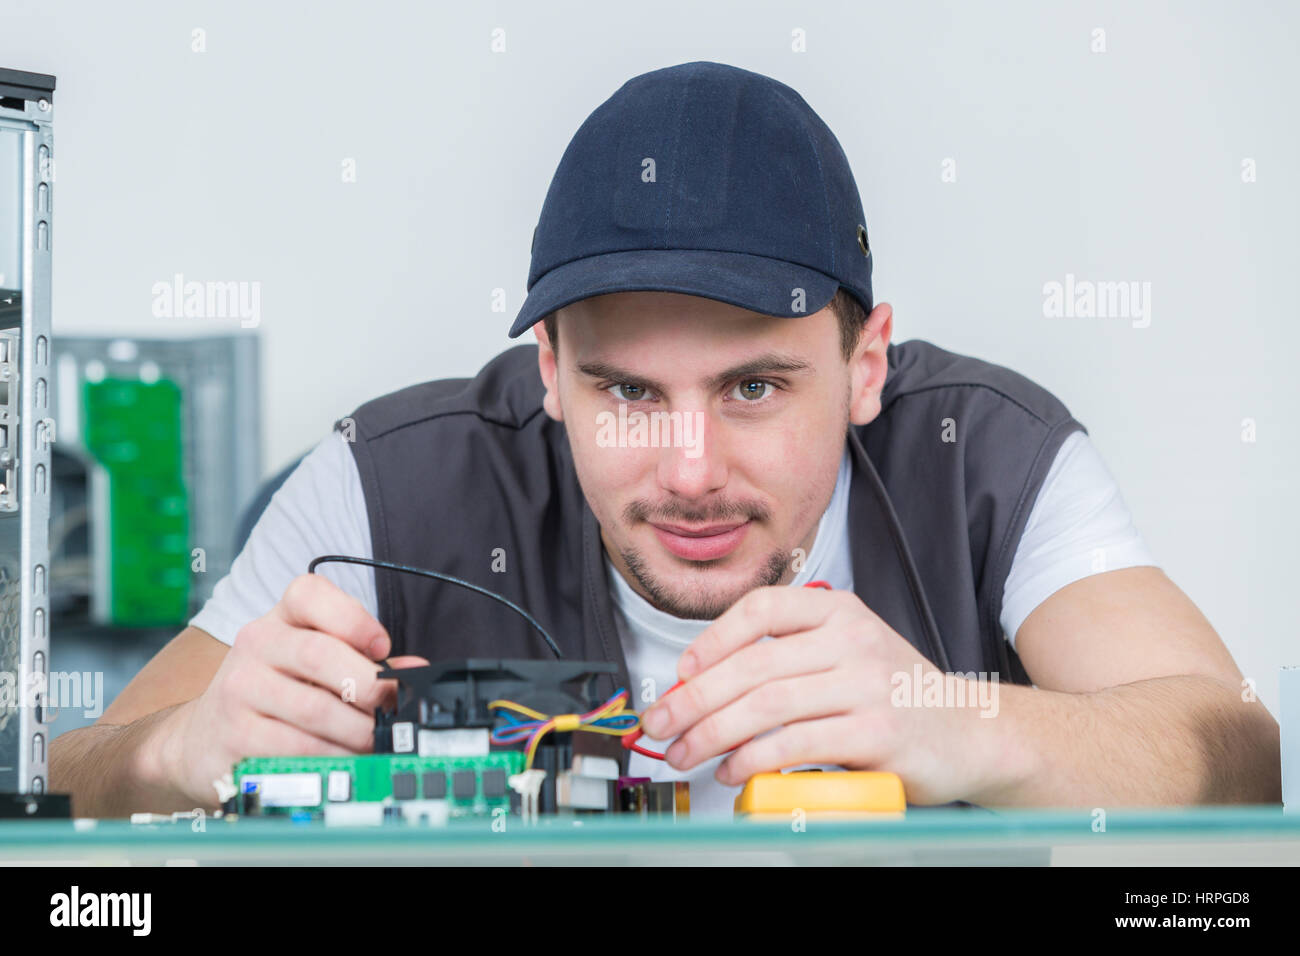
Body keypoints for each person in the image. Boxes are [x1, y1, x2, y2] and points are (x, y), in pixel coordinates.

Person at [50, 61, 1280, 817]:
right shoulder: (383, 481)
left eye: (753, 386)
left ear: (866, 367)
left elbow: (1236, 749)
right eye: (628, 391)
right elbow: (71, 772)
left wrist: (953, 718)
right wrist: (181, 748)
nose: (689, 468)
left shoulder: (987, 456)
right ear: (547, 373)